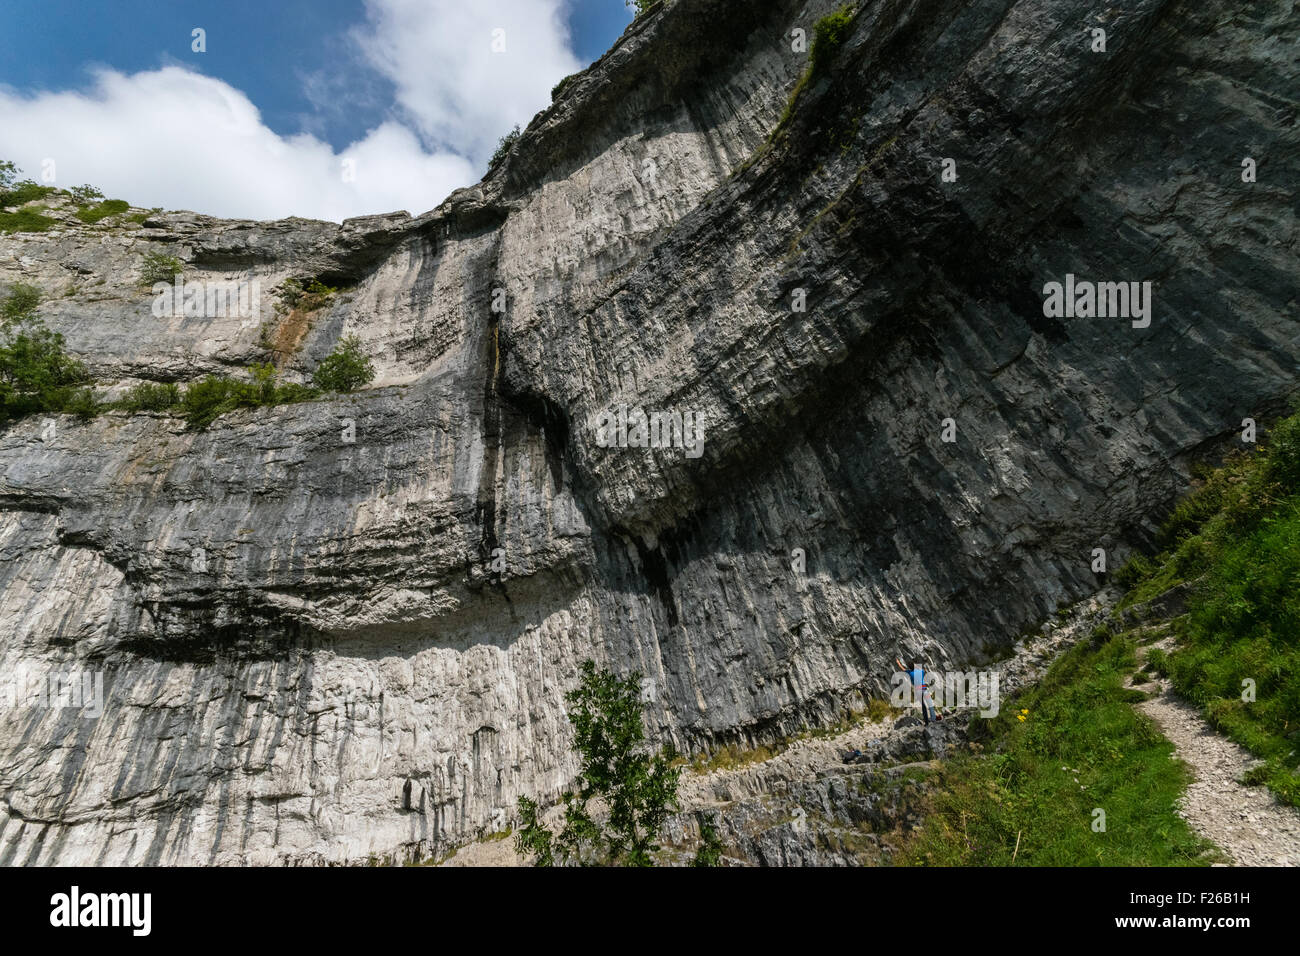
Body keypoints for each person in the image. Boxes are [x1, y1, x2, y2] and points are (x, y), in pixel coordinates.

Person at [895, 657, 935, 724]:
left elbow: (903, 669)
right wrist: (916, 665)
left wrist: (898, 663)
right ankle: (933, 719)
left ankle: (926, 722)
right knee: (930, 703)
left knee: (923, 706)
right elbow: (921, 669)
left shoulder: (909, 672)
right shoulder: (921, 671)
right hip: (924, 689)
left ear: (910, 668)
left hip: (918, 691)